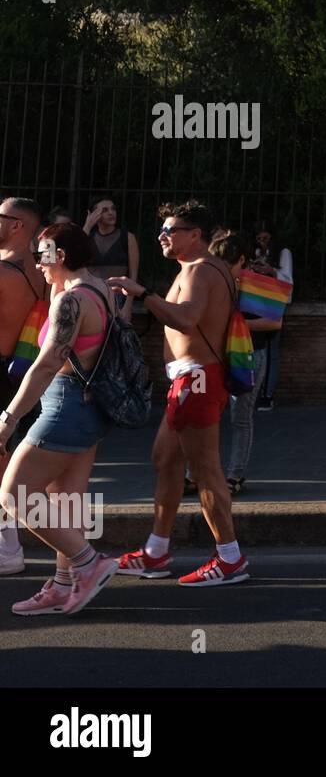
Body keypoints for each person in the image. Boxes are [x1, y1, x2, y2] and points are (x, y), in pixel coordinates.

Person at [107, 200, 250, 585]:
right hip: (193, 380)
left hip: (198, 380)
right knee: (164, 459)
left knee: (206, 472)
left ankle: (230, 559)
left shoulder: (200, 271)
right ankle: (156, 552)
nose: (162, 237)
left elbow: (186, 320)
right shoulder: (204, 269)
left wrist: (144, 293)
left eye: (170, 231)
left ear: (195, 235)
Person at [0, 223, 119, 615]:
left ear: (61, 256)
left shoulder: (71, 301)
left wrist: (9, 417)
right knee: (66, 500)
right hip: (87, 404)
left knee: (13, 493)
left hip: (66, 404)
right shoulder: (97, 287)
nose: (37, 263)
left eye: (43, 254)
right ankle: (64, 582)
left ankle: (88, 563)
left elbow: (47, 363)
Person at [210, 231, 281, 494]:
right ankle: (198, 473)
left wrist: (237, 324)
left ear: (241, 260)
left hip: (250, 353)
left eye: (227, 264)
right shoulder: (214, 281)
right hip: (218, 354)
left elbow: (274, 322)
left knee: (241, 415)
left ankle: (235, 475)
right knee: (208, 415)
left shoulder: (257, 282)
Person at [0, 197, 47, 576]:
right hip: (17, 371)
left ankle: (8, 546)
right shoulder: (39, 271)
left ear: (16, 225)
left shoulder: (3, 271)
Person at [249, 220, 292, 411]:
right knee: (259, 348)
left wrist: (271, 271)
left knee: (271, 350)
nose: (262, 242)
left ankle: (268, 394)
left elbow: (288, 279)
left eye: (265, 238)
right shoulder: (257, 253)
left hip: (274, 301)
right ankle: (257, 391)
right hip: (258, 299)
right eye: (258, 239)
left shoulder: (283, 253)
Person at [82, 194, 140, 320]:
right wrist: (87, 225)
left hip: (118, 297)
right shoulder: (88, 238)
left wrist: (128, 306)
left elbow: (133, 275)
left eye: (113, 209)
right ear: (93, 214)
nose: (111, 213)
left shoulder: (128, 238)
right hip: (92, 295)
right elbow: (75, 256)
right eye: (104, 210)